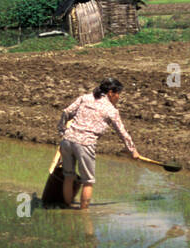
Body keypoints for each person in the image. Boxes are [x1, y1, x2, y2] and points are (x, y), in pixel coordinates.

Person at [57, 77, 141, 210]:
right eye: (118, 94)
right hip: (85, 144)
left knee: (69, 176)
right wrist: (133, 150)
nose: (118, 97)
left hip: (67, 140)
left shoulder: (85, 98)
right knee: (88, 181)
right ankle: (84, 213)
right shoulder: (111, 110)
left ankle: (66, 208)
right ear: (111, 93)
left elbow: (66, 112)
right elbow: (122, 132)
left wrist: (62, 130)